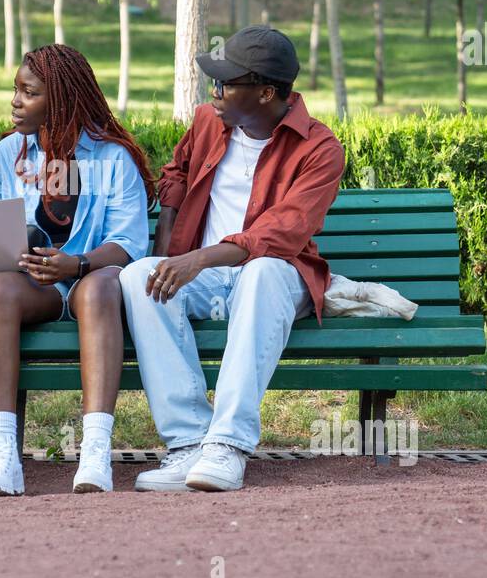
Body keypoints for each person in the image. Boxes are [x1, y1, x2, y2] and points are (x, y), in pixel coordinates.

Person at [120, 25, 346, 492]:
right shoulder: (208, 121)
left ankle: (227, 445)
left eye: (226, 83)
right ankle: (188, 442)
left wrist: (199, 260)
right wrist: (168, 255)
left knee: (261, 271)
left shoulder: (319, 148)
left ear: (265, 93)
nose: (215, 91)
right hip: (209, 277)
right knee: (139, 276)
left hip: (278, 277)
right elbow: (175, 177)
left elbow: (280, 234)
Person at [0, 44, 155, 496]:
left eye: (29, 92)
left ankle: (95, 447)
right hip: (35, 284)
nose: (15, 101)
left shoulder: (113, 157)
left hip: (92, 279)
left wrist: (78, 264)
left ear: (62, 100)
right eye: (15, 90)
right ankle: (2, 452)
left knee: (95, 291)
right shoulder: (7, 155)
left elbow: (130, 244)